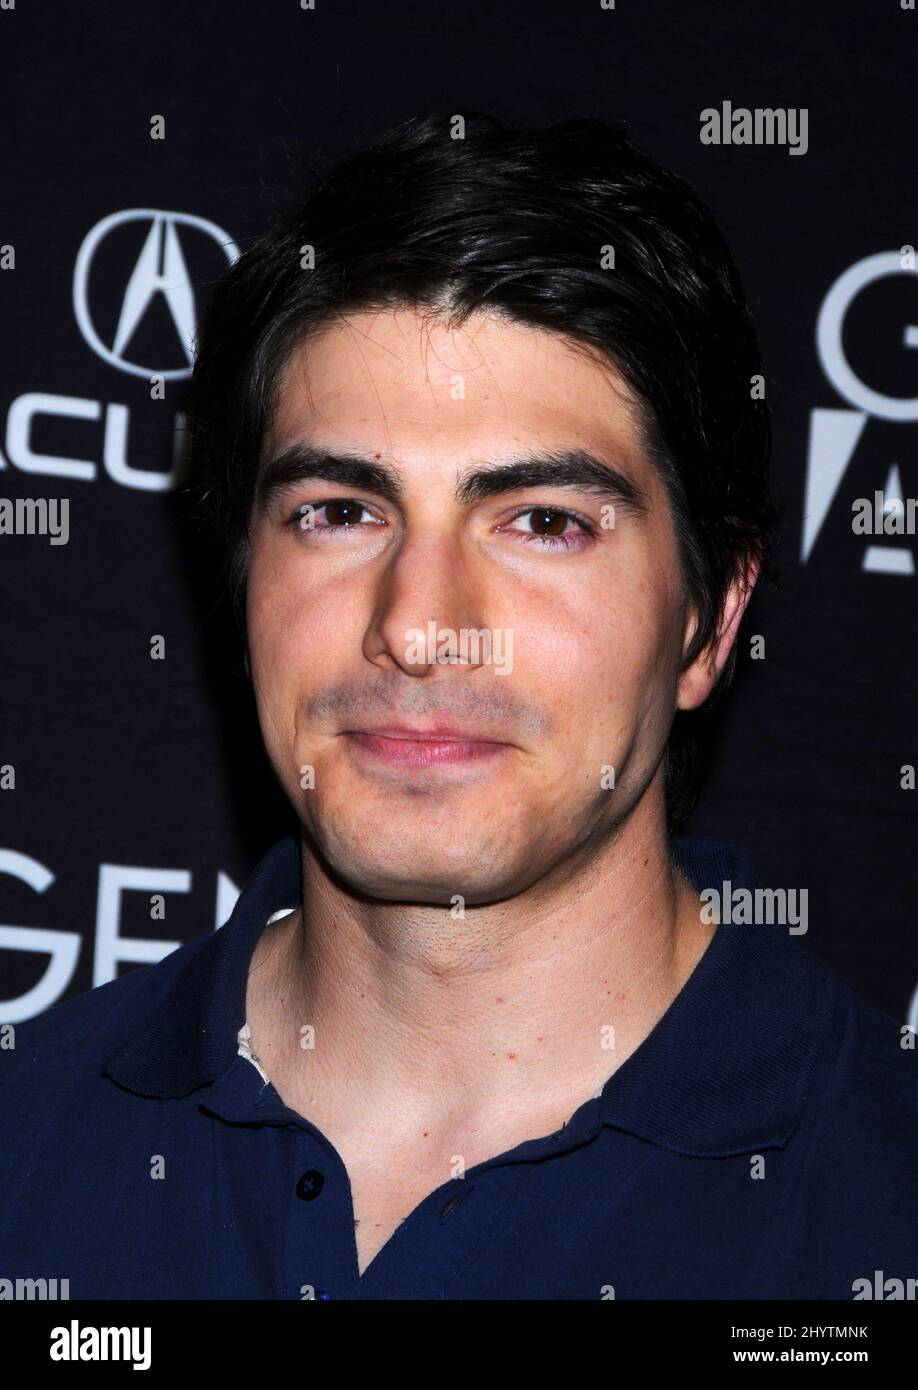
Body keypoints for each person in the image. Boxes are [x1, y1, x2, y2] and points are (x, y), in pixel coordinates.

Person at [2, 113, 914, 1301]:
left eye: (543, 522)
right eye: (340, 512)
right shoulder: (26, 1142)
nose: (420, 626)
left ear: (710, 619)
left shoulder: (882, 1202)